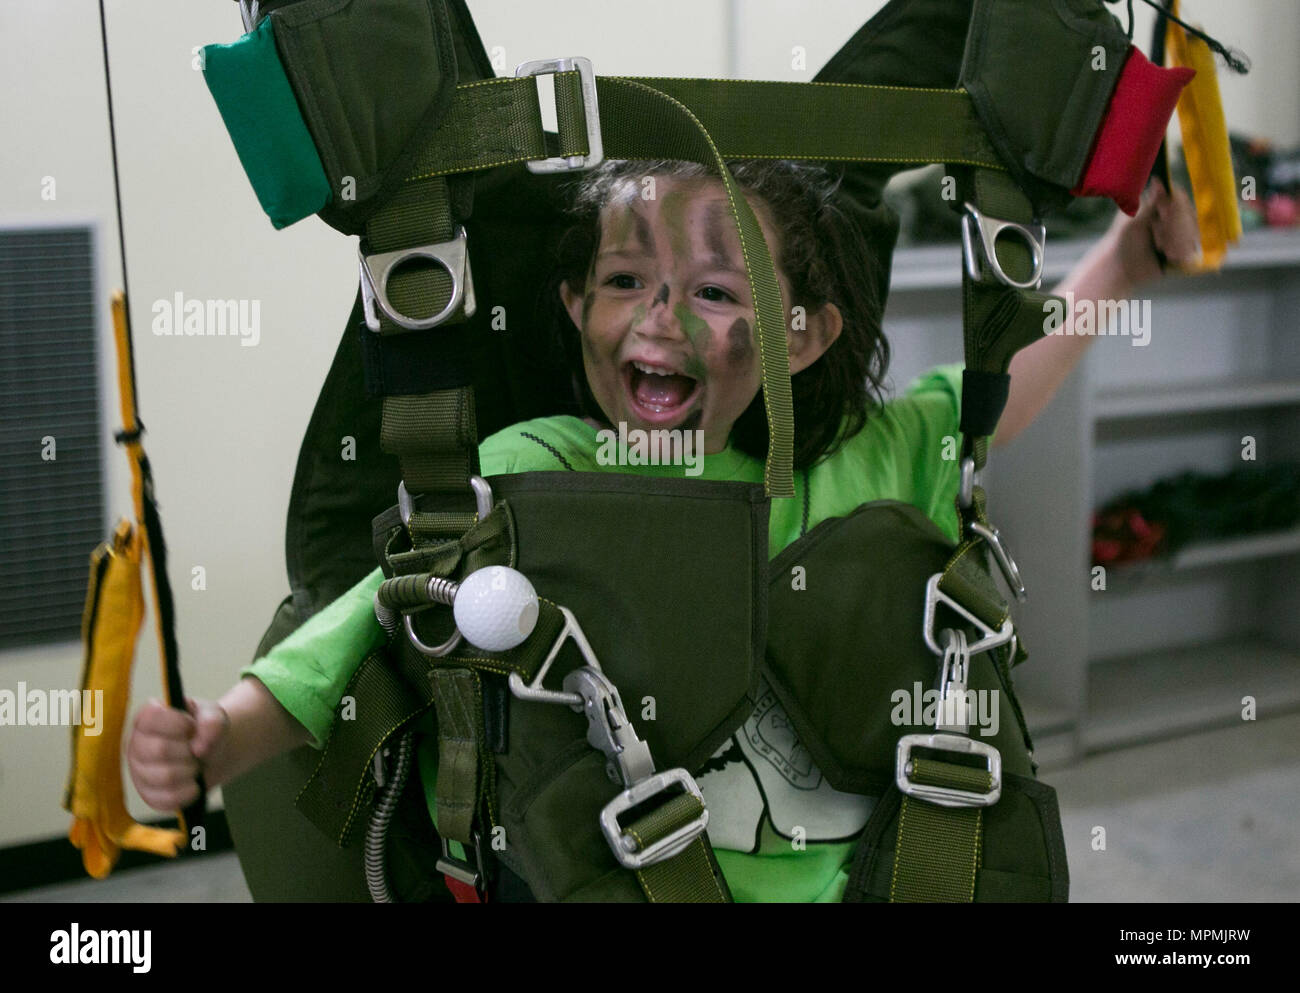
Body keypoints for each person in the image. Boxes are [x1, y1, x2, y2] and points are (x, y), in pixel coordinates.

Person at [127, 157, 1199, 901]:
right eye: (626, 282)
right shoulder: (539, 467)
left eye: (715, 291)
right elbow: (365, 616)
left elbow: (991, 405)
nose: (661, 318)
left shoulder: (868, 457)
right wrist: (227, 735)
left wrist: (1120, 267)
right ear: (573, 307)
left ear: (806, 333)